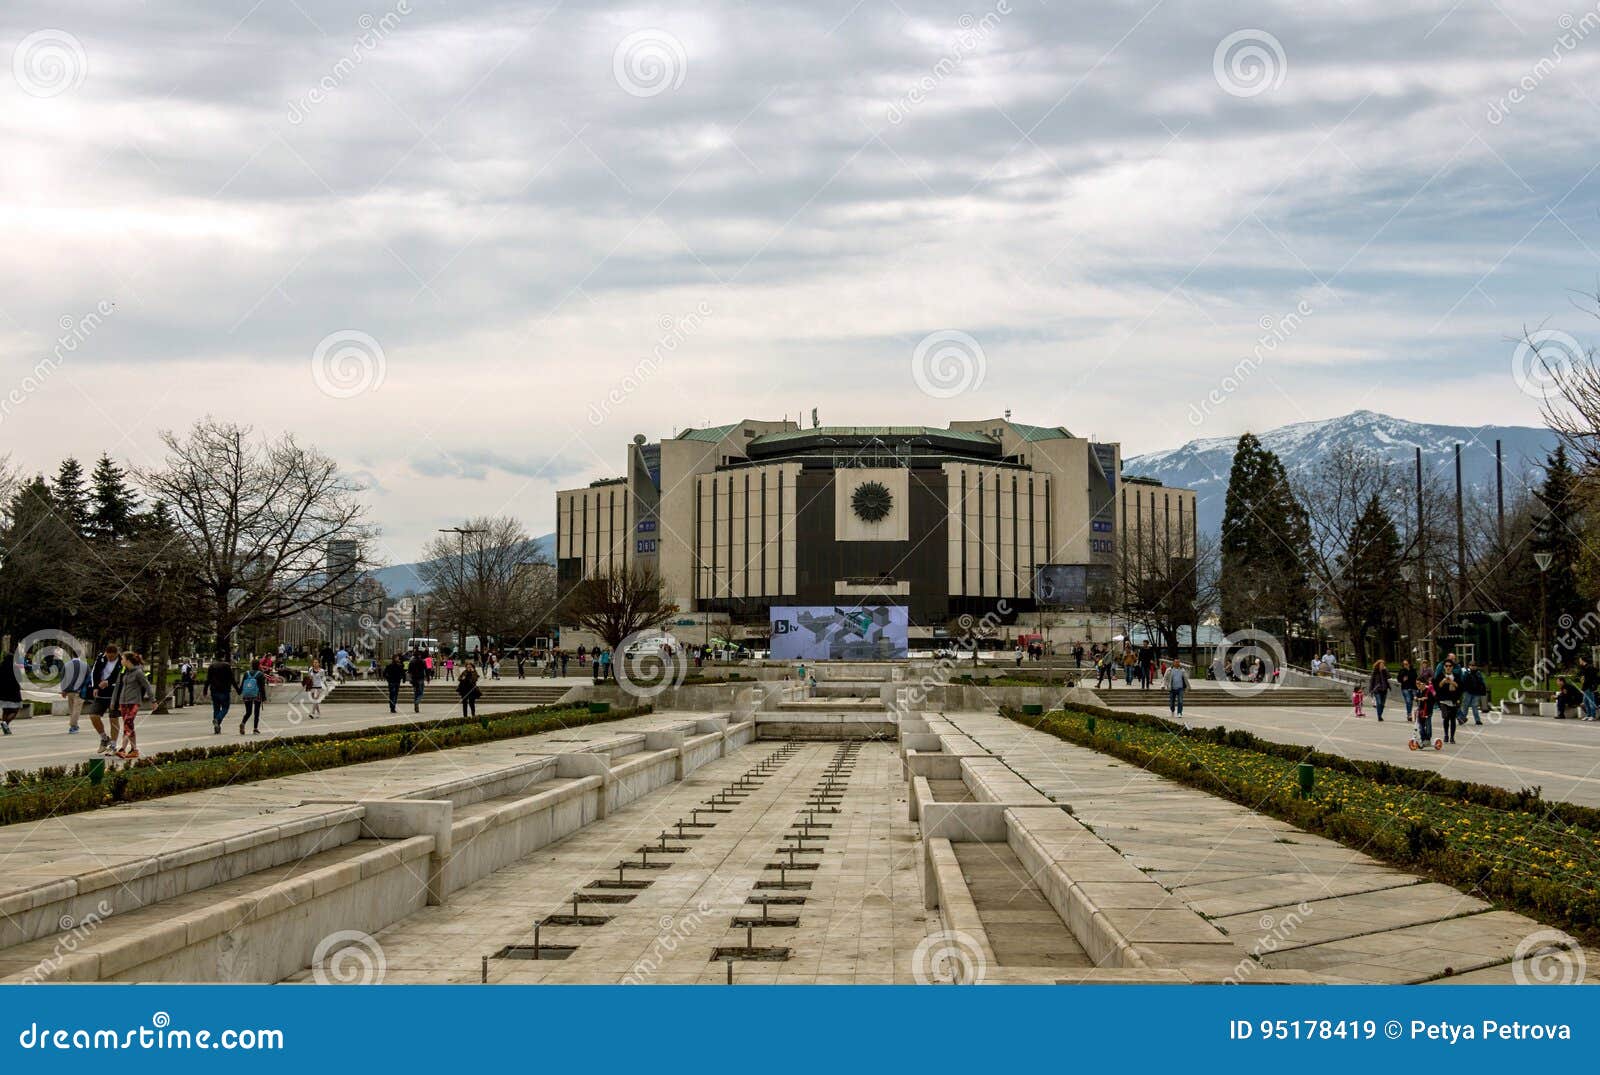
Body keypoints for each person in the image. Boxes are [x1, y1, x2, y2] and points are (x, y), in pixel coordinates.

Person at [112, 651, 153, 759]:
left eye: (122, 659)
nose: (121, 661)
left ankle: (122, 749)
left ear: (128, 660)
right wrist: (115, 702)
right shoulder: (125, 672)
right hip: (123, 702)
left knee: (128, 724)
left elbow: (147, 686)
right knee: (129, 726)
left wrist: (153, 701)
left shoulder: (138, 672)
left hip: (134, 702)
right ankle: (134, 750)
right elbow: (119, 687)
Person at [59, 651, 90, 733]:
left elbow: (62, 678)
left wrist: (63, 690)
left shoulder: (67, 665)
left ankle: (74, 724)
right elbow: (88, 678)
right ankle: (73, 726)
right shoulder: (85, 665)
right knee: (77, 709)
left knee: (72, 709)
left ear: (71, 654)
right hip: (80, 691)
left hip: (69, 691)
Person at [205, 653, 236, 735]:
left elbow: (208, 679)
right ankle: (217, 720)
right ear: (223, 656)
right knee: (225, 707)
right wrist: (238, 689)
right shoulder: (227, 666)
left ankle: (217, 727)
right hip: (224, 690)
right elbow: (232, 678)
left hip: (214, 690)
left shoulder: (212, 666)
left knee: (216, 708)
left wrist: (205, 689)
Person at [238, 659, 267, 734]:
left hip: (247, 693)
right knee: (256, 712)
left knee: (248, 712)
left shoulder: (246, 673)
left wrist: (240, 691)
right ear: (258, 665)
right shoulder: (260, 674)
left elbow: (243, 684)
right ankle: (255, 728)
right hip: (257, 694)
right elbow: (262, 687)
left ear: (251, 665)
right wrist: (264, 697)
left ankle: (243, 723)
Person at [0, 648, 23, 735]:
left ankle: (5, 724)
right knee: (15, 710)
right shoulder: (16, 668)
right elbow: (20, 679)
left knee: (5, 711)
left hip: (3, 693)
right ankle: (5, 723)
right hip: (14, 693)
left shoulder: (1, 667)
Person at [1435, 673, 1462, 745]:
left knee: (1453, 719)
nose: (1448, 667)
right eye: (1446, 666)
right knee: (1446, 717)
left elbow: (1459, 687)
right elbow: (1437, 687)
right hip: (1443, 701)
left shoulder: (1456, 677)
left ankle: (1452, 737)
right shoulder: (1440, 676)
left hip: (1453, 701)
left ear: (1452, 667)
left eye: (1450, 666)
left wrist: (1451, 682)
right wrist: (1443, 681)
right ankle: (1446, 735)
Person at [1461, 661, 1489, 725]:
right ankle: (1463, 718)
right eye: (1472, 665)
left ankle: (1477, 720)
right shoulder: (1466, 673)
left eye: (1474, 666)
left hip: (1476, 692)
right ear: (1469, 666)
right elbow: (1463, 682)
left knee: (1475, 706)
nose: (1473, 667)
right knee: (1465, 705)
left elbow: (1482, 682)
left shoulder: (1478, 674)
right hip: (1467, 692)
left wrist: (1483, 689)